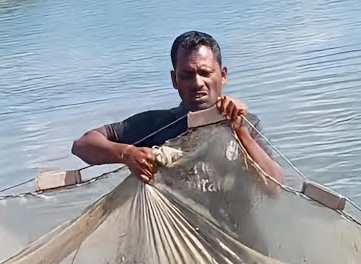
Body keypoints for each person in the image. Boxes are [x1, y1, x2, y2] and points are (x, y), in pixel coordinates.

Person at [71, 31, 284, 186]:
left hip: (240, 238)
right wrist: (127, 153)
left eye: (205, 72)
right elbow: (83, 145)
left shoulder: (245, 122)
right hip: (179, 240)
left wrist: (240, 131)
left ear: (223, 75)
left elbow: (275, 186)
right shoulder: (156, 125)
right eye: (186, 75)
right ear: (174, 80)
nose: (197, 82)